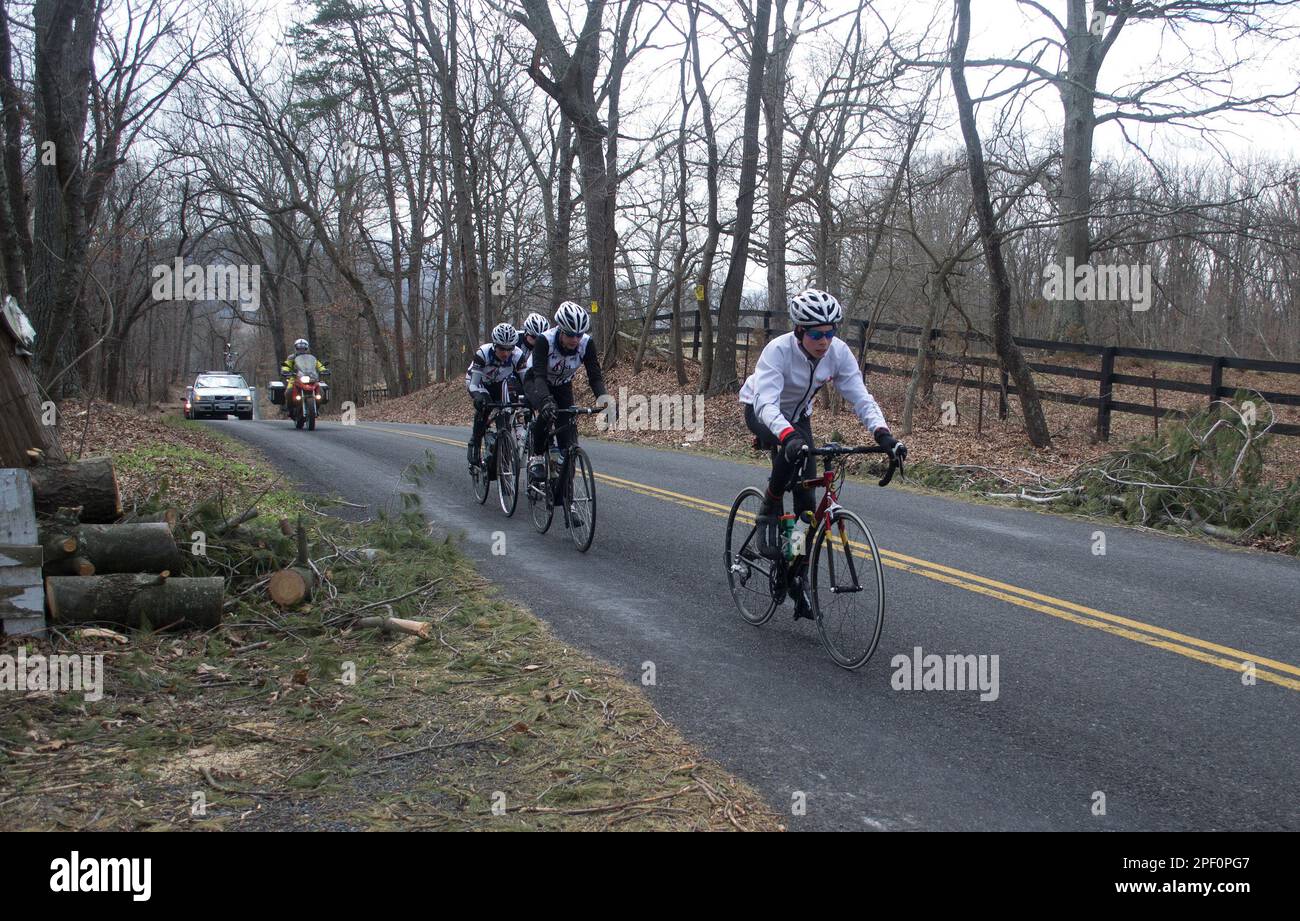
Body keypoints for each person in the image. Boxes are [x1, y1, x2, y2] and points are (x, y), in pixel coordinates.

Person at [738, 289, 906, 619]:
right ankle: (767, 509)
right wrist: (785, 436)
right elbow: (767, 403)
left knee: (806, 505)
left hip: (799, 417)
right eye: (817, 333)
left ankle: (795, 575)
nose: (825, 341)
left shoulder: (837, 353)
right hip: (761, 410)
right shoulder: (778, 352)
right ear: (799, 331)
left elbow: (861, 397)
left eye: (830, 333)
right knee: (791, 457)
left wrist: (884, 435)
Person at [523, 302, 608, 524]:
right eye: (571, 335)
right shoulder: (544, 341)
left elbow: (595, 376)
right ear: (560, 330)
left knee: (569, 444)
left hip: (562, 385)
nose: (575, 340)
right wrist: (544, 402)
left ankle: (568, 503)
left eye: (579, 335)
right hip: (537, 381)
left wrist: (605, 399)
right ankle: (536, 457)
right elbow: (539, 376)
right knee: (545, 413)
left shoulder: (586, 344)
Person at [465, 323, 528, 467]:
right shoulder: (483, 353)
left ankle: (501, 449)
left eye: (509, 349)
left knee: (505, 416)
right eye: (501, 348)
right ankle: (475, 442)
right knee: (485, 406)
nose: (505, 353)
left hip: (499, 382)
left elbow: (526, 382)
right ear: (494, 345)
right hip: (478, 382)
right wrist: (478, 398)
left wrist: (530, 398)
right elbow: (474, 384)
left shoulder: (518, 355)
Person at [281, 338, 327, 411]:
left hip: (311, 377)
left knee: (320, 390)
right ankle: (289, 407)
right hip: (295, 377)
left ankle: (317, 406)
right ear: (296, 348)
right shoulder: (291, 357)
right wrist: (285, 371)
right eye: (299, 348)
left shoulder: (310, 357)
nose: (301, 350)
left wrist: (324, 370)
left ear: (306, 348)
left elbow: (318, 364)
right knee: (288, 391)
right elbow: (287, 365)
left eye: (303, 348)